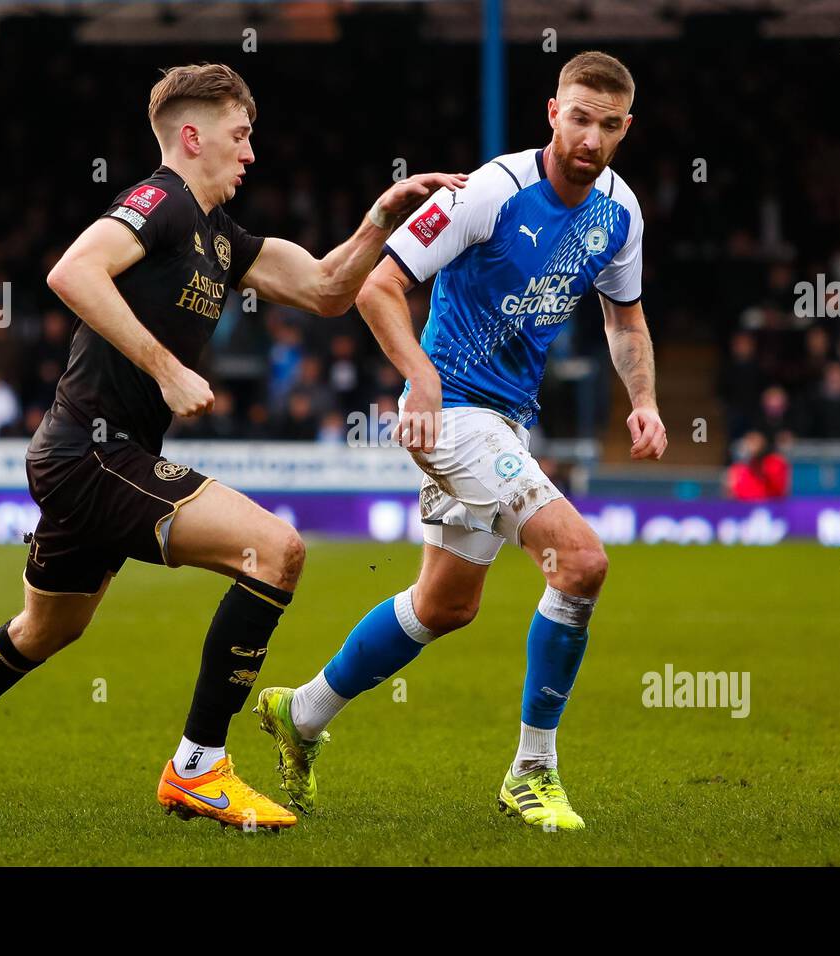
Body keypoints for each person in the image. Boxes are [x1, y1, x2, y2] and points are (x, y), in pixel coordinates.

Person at [0, 62, 464, 830]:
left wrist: (382, 216)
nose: (250, 154)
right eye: (240, 137)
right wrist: (167, 366)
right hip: (96, 452)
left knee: (46, 629)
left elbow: (324, 289)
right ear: (191, 135)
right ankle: (198, 768)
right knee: (275, 551)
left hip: (84, 455)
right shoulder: (164, 201)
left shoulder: (219, 235)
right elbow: (72, 272)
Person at [256, 51, 663, 831]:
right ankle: (532, 772)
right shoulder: (491, 191)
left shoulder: (621, 210)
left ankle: (300, 712)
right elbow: (378, 284)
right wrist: (421, 376)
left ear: (624, 129)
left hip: (507, 419)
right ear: (552, 112)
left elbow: (625, 316)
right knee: (579, 563)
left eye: (608, 125)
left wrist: (642, 399)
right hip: (450, 417)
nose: (591, 136)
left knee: (444, 605)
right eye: (578, 117)